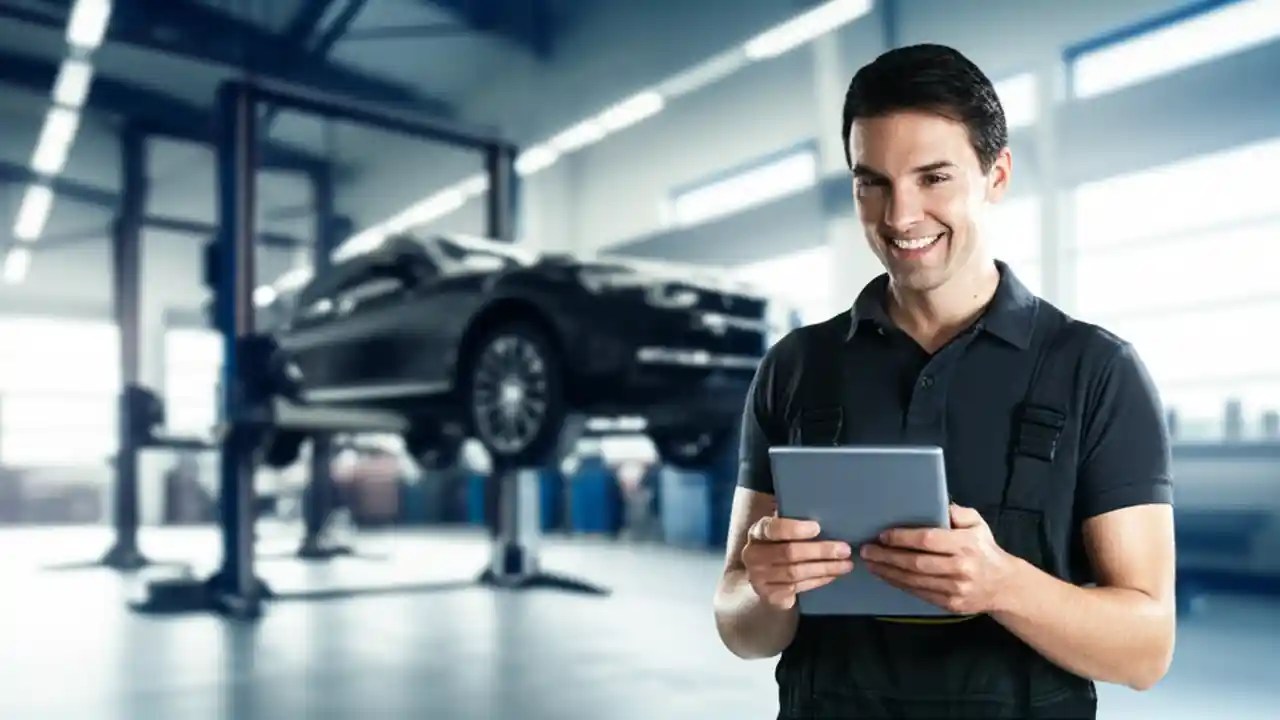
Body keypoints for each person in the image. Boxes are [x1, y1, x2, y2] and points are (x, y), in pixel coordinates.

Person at [712, 44, 1175, 719]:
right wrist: (767, 589)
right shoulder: (797, 367)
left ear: (997, 174)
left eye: (933, 178)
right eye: (872, 181)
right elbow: (739, 625)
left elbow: (1146, 650)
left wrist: (1002, 585)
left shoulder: (1095, 372)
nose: (900, 216)